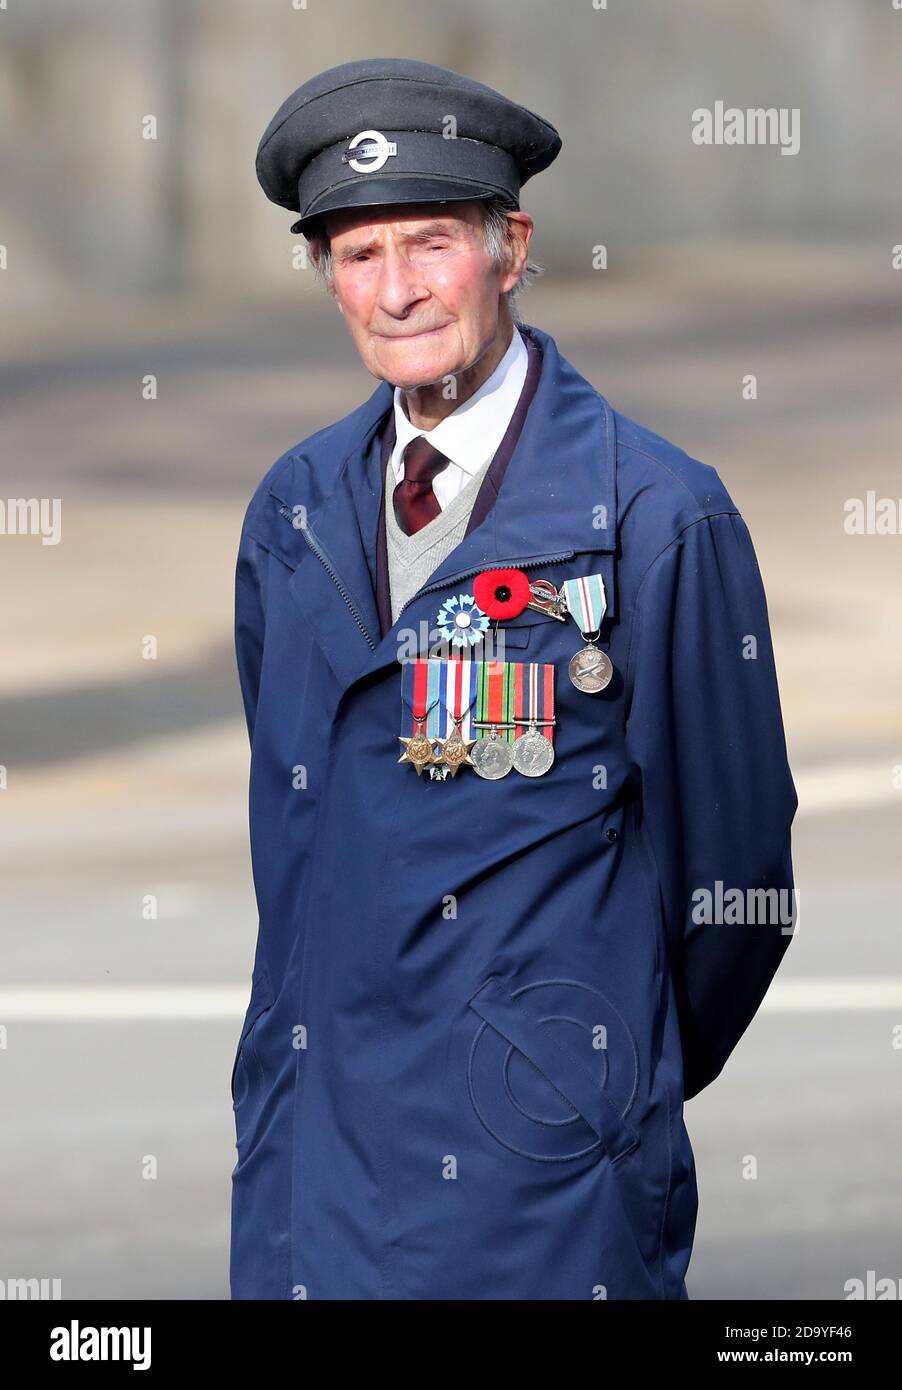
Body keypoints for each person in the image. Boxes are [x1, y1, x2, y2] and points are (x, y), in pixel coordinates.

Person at [230, 57, 798, 1300]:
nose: (394, 292)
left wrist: (581, 1068)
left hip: (539, 1185)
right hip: (307, 1170)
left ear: (511, 247)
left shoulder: (656, 517)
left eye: (427, 244)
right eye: (357, 253)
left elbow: (735, 879)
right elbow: (296, 838)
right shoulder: (294, 511)